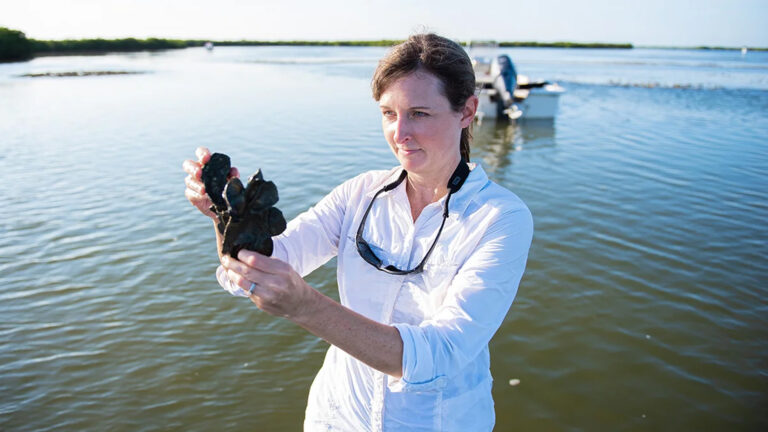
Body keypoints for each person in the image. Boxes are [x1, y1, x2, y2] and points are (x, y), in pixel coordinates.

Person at [183, 33, 533, 431]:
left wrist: (305, 306)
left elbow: (443, 353)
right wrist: (227, 218)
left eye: (419, 113)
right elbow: (259, 269)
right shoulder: (360, 193)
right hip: (336, 417)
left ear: (467, 111)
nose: (399, 133)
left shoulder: (500, 218)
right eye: (388, 113)